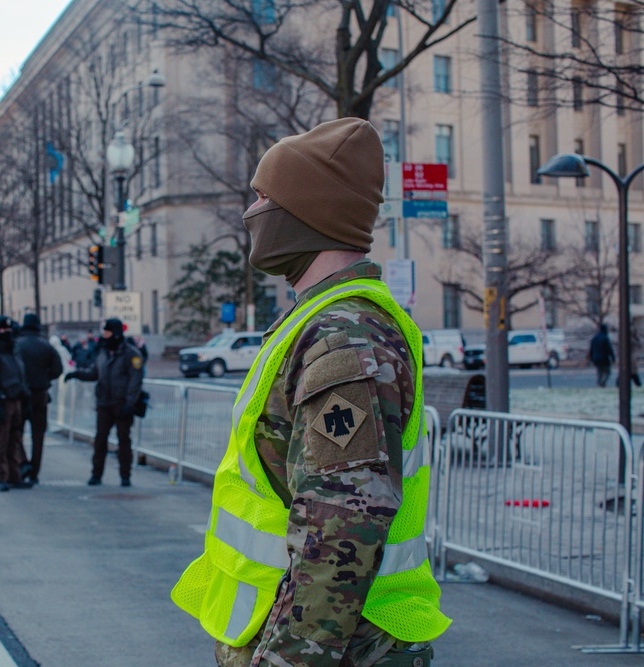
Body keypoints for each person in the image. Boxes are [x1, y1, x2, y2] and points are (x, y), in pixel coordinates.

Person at [170, 118, 449, 666]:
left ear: (308, 211)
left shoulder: (343, 339)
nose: (251, 212)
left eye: (263, 196)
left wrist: (283, 661)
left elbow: (342, 533)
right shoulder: (319, 323)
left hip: (342, 651)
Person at [64, 318, 144, 487]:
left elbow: (135, 381)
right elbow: (95, 373)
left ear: (114, 334)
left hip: (122, 404)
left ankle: (125, 476)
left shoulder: (131, 354)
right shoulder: (104, 352)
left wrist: (130, 403)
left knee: (124, 441)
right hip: (104, 404)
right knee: (100, 440)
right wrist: (76, 374)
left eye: (107, 333)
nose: (104, 336)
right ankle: (96, 475)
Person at [15, 314, 64, 484]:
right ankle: (35, 472)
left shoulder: (17, 345)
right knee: (38, 435)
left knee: (16, 431)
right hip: (40, 394)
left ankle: (22, 462)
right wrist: (45, 378)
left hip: (20, 395)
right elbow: (58, 369)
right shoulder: (46, 346)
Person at [0, 316, 31, 491]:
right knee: (1, 442)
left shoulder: (13, 350)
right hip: (3, 401)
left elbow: (21, 374)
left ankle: (14, 475)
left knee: (15, 440)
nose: (7, 332)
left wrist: (25, 396)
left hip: (16, 399)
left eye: (9, 329)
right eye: (4, 329)